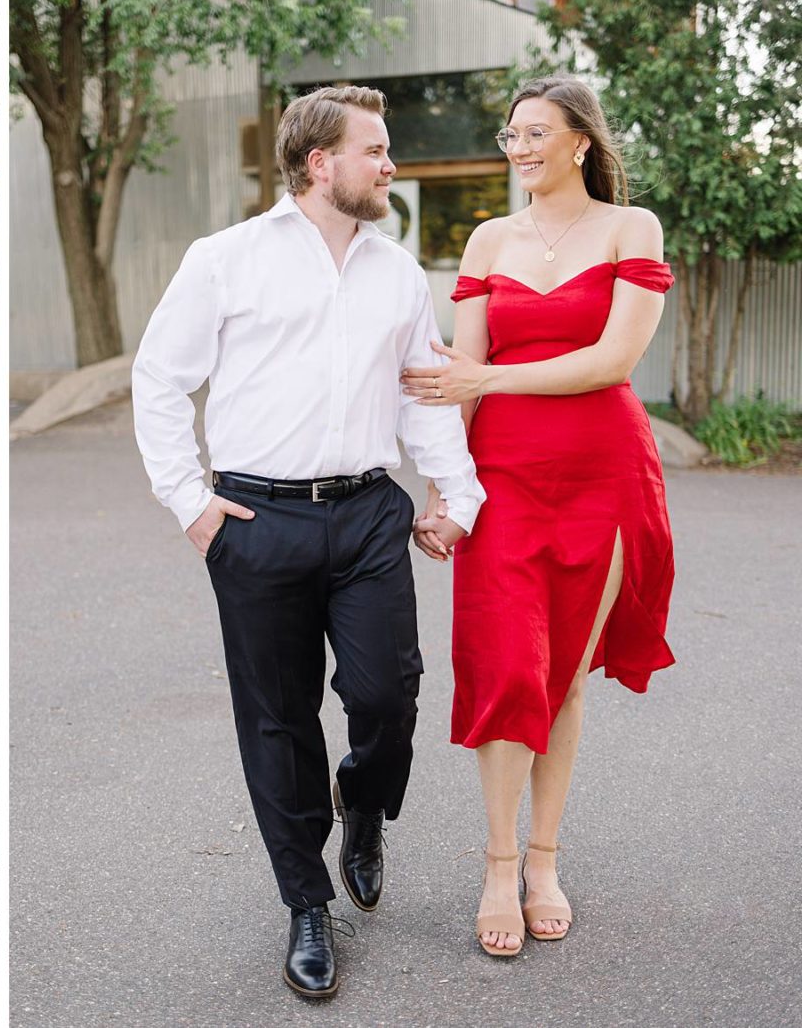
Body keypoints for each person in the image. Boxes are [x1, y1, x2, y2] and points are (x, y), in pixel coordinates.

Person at [132, 86, 484, 1000]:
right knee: (279, 720)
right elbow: (160, 379)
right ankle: (306, 902)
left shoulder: (399, 272)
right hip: (256, 520)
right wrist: (192, 504)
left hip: (371, 511)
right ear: (320, 163)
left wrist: (457, 492)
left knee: (388, 692)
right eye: (376, 148)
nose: (391, 163)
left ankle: (363, 801)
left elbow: (421, 391)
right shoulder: (226, 260)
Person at [404, 76, 675, 958]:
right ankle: (496, 864)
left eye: (533, 133)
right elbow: (464, 372)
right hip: (506, 480)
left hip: (604, 474)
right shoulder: (489, 237)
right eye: (509, 134)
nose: (517, 147)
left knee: (562, 677)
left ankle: (545, 861)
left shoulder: (631, 229)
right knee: (505, 667)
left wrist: (485, 379)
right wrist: (449, 492)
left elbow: (614, 356)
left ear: (579, 142)